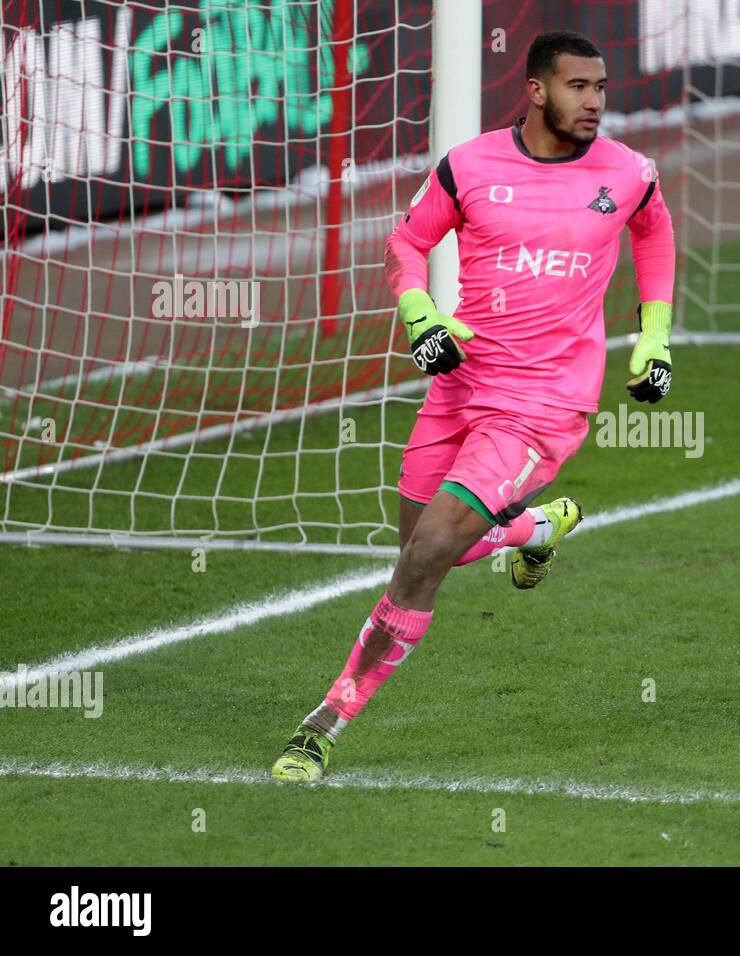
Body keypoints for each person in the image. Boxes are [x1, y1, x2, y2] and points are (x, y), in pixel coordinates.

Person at [272, 30, 676, 781]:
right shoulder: (470, 165)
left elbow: (654, 232)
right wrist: (419, 313)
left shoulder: (626, 173)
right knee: (420, 547)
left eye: (601, 87)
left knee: (428, 553)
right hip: (462, 384)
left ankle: (322, 725)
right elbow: (406, 242)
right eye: (577, 87)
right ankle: (535, 529)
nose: (594, 102)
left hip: (545, 402)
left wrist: (654, 338)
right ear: (535, 91)